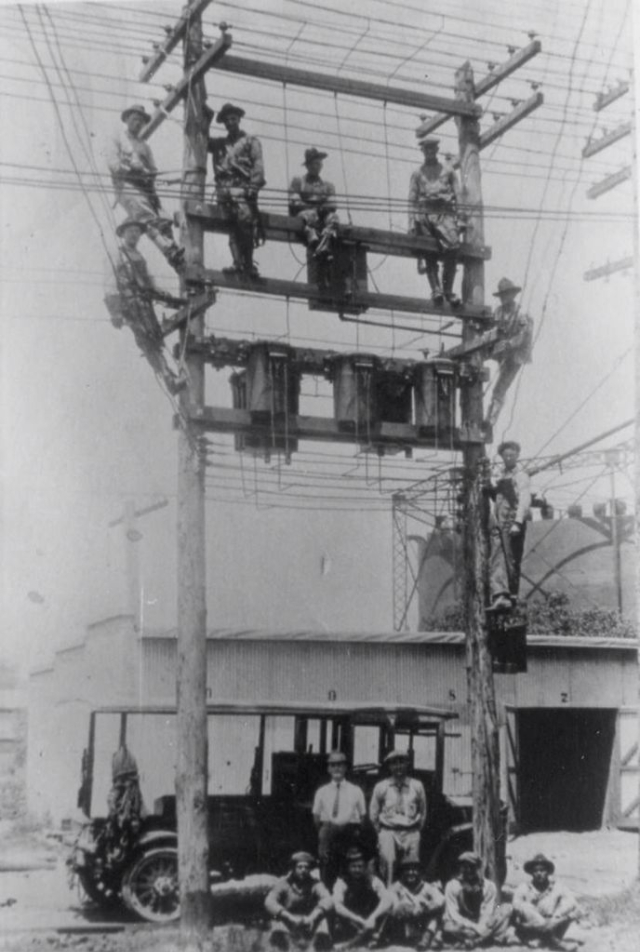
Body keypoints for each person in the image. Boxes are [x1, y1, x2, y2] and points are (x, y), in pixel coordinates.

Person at [104, 219, 187, 395]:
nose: (134, 234)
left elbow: (151, 282)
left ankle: (170, 377)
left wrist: (167, 297)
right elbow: (110, 282)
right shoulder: (117, 254)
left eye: (137, 232)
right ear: (123, 234)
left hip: (145, 304)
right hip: (130, 304)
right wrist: (115, 312)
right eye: (130, 231)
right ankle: (168, 378)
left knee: (155, 339)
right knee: (147, 340)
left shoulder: (140, 256)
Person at [107, 103, 184, 272]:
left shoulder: (144, 146)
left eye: (141, 121)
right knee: (146, 218)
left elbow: (153, 170)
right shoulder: (118, 138)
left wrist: (147, 173)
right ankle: (169, 250)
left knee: (163, 220)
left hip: (145, 188)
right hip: (126, 186)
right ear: (127, 120)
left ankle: (175, 255)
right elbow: (113, 164)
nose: (137, 123)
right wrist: (132, 168)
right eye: (134, 119)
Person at [208, 102, 266, 278]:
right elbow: (200, 136)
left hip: (242, 188)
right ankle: (237, 263)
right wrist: (203, 113)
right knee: (231, 225)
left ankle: (247, 263)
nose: (230, 123)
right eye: (226, 120)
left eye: (233, 119)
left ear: (239, 119)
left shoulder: (250, 141)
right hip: (224, 190)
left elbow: (258, 167)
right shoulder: (219, 144)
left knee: (245, 219)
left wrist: (253, 188)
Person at [408, 137, 463, 307]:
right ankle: (436, 290)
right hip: (424, 214)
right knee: (429, 250)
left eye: (433, 149)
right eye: (427, 149)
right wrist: (411, 223)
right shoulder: (417, 173)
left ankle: (448, 290)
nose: (430, 152)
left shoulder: (448, 171)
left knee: (452, 247)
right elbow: (412, 199)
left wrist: (461, 218)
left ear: (437, 150)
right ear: (423, 151)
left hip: (445, 213)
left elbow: (459, 195)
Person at [369, 750, 427, 886]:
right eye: (394, 763)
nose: (398, 767)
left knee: (411, 867)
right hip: (388, 830)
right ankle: (389, 896)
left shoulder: (416, 786)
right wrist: (381, 831)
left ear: (407, 764)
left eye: (402, 762)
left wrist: (415, 829)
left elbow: (423, 811)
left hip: (410, 831)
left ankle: (409, 897)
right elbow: (373, 813)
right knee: (388, 864)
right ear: (389, 766)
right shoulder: (381, 786)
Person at [312, 750, 367, 888]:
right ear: (328, 768)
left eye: (340, 765)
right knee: (327, 865)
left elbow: (363, 815)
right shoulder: (322, 791)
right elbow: (316, 816)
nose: (337, 768)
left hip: (349, 831)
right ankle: (327, 899)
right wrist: (325, 832)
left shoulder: (355, 790)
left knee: (349, 865)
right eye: (333, 765)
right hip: (328, 831)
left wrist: (355, 832)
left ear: (346, 768)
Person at [484, 278, 534, 430]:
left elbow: (524, 335)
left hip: (516, 355)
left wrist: (509, 344)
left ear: (513, 294)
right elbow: (491, 326)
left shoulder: (522, 314)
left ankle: (490, 421)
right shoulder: (498, 311)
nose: (504, 298)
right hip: (501, 352)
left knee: (500, 389)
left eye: (507, 294)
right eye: (502, 295)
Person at [489, 441, 532, 609]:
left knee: (512, 559)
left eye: (511, 455)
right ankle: (499, 594)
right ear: (502, 457)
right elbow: (493, 492)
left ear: (517, 456)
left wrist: (518, 522)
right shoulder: (499, 475)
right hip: (499, 521)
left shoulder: (521, 475)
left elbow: (524, 499)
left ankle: (511, 595)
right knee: (496, 557)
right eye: (505, 455)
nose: (508, 458)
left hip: (512, 522)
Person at [289, 148, 340, 283]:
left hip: (323, 218)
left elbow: (332, 204)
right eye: (313, 163)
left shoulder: (328, 186)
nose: (316, 166)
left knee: (334, 219)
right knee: (309, 215)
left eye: (318, 163)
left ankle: (321, 247)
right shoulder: (298, 181)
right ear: (307, 165)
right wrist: (313, 209)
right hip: (306, 217)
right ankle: (318, 244)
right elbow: (294, 201)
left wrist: (323, 209)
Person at [442, 852, 514, 949]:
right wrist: (474, 927)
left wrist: (481, 927)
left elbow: (487, 912)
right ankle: (485, 938)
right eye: (465, 867)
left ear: (478, 867)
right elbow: (454, 913)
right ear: (460, 868)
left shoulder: (489, 886)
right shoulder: (452, 885)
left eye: (472, 866)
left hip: (482, 922)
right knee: (448, 925)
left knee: (506, 908)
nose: (469, 870)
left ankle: (475, 940)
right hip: (463, 924)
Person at [265, 851, 333, 951]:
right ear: (293, 868)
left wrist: (313, 917)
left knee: (323, 925)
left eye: (306, 867)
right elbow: (269, 901)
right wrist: (288, 916)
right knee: (277, 928)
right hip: (289, 920)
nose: (303, 870)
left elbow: (328, 899)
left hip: (309, 921)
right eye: (300, 867)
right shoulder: (284, 883)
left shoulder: (315, 884)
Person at [512, 854, 579, 951]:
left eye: (542, 870)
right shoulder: (524, 887)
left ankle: (543, 939)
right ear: (531, 873)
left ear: (548, 872)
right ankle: (554, 941)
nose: (539, 873)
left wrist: (557, 916)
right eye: (535, 871)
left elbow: (571, 902)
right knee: (525, 906)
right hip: (531, 927)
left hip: (553, 924)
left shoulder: (557, 886)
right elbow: (516, 904)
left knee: (569, 906)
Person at [332, 847, 393, 947]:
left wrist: (373, 917)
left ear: (365, 867)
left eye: (360, 867)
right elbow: (337, 906)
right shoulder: (342, 882)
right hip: (352, 921)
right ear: (348, 867)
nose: (357, 870)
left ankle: (371, 937)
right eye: (354, 866)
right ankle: (361, 939)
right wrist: (358, 919)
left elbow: (388, 899)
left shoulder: (373, 880)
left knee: (389, 907)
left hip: (370, 919)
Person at [388, 858, 445, 950]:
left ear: (419, 872)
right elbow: (393, 905)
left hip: (422, 924)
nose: (411, 873)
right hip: (404, 925)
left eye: (414, 870)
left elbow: (441, 899)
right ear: (403, 872)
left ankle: (426, 939)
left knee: (436, 914)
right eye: (408, 870)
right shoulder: (397, 887)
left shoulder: (426, 886)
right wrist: (410, 909)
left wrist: (426, 907)